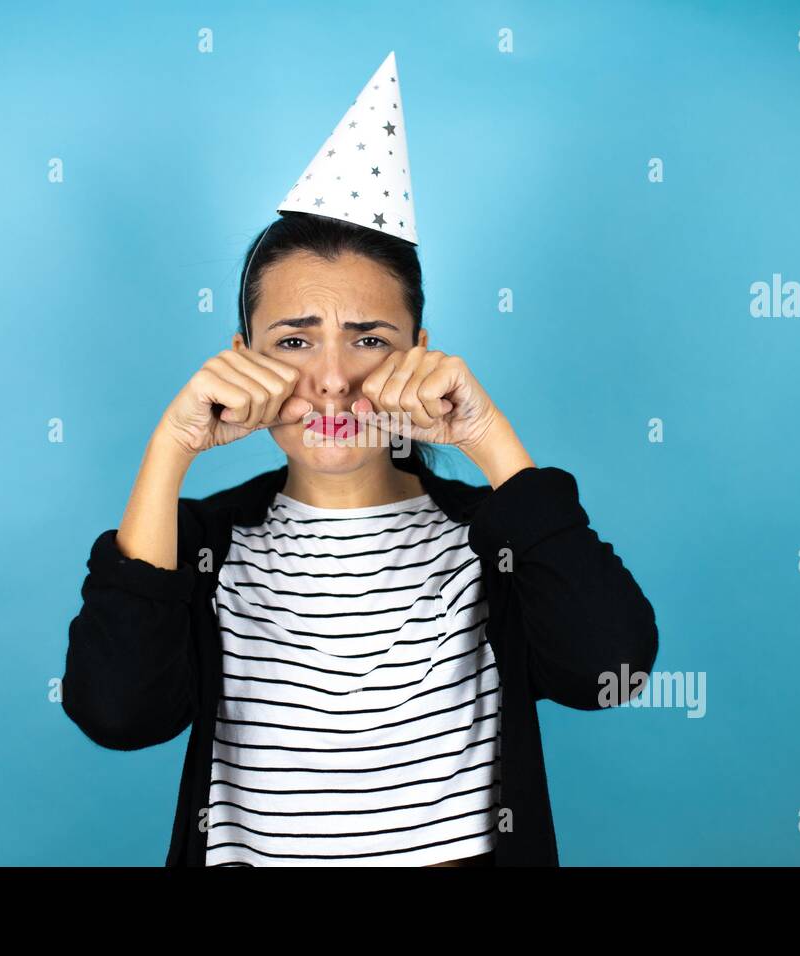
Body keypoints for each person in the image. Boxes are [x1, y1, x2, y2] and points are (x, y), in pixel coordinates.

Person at [61, 52, 658, 866]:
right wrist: (169, 451)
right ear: (241, 357)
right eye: (295, 340)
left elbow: (610, 669)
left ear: (421, 352)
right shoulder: (202, 547)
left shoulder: (496, 542)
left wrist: (490, 440)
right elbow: (118, 714)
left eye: (370, 340)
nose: (334, 380)